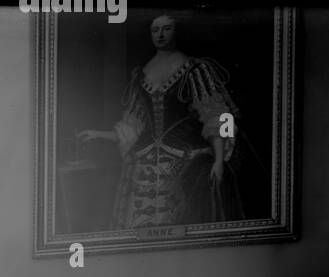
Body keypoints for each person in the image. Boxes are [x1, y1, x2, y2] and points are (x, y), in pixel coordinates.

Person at [77, 12, 245, 229]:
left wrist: (219, 160)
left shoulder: (195, 69)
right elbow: (133, 128)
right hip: (143, 164)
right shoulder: (141, 74)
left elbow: (218, 117)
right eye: (155, 30)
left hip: (185, 162)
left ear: (177, 31)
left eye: (167, 28)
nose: (160, 35)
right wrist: (97, 134)